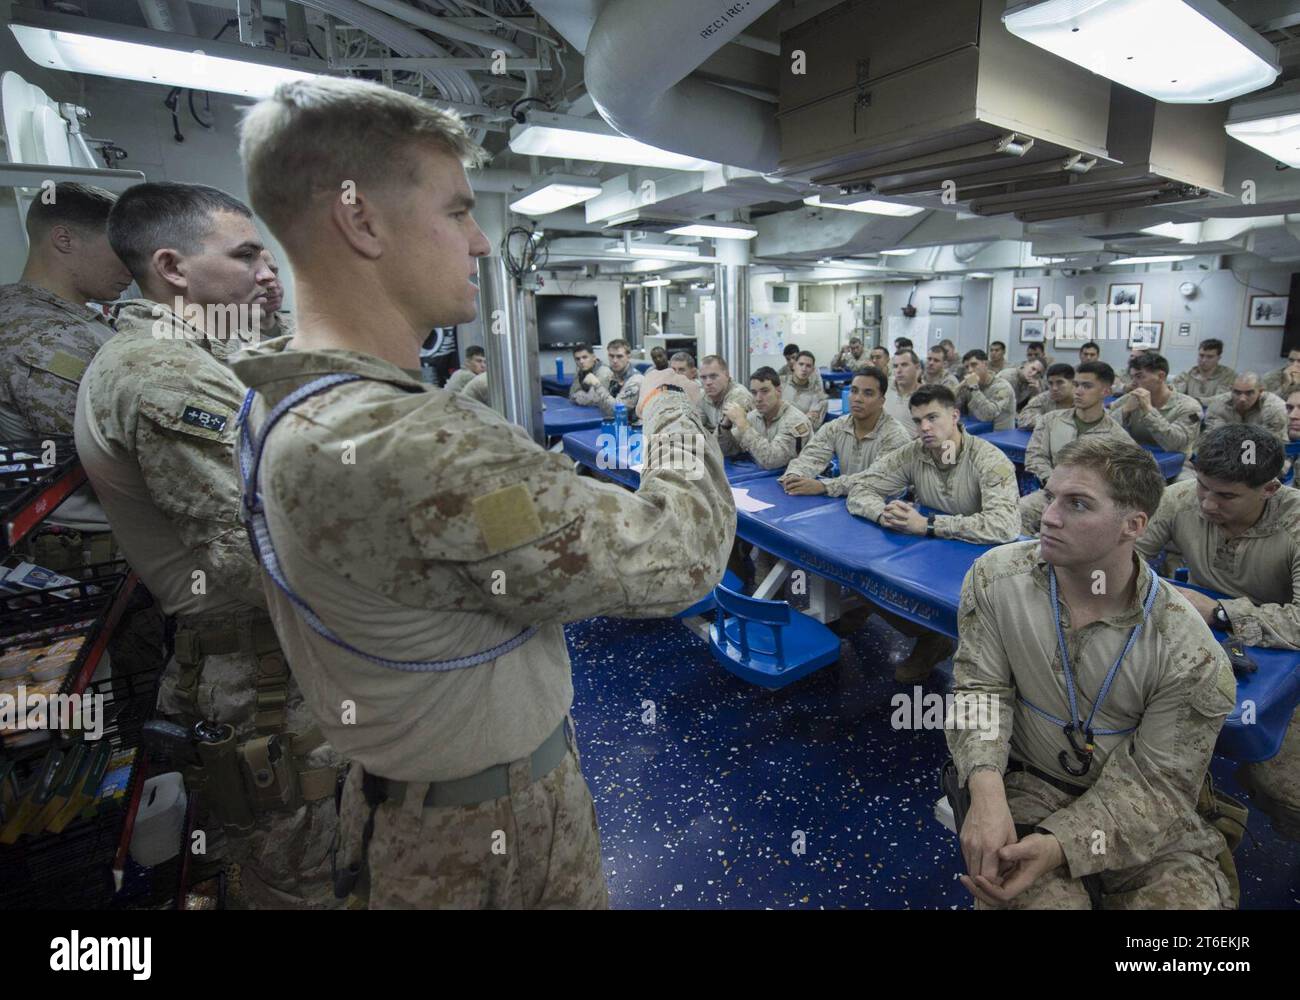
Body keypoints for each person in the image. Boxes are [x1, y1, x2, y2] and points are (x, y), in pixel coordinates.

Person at [235, 76, 736, 908]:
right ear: (360, 219)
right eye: (459, 210)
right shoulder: (412, 443)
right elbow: (684, 557)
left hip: (401, 801)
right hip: (489, 835)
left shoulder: (275, 401)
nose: (479, 243)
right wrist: (673, 406)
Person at [75, 181, 339, 909]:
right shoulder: (160, 375)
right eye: (247, 255)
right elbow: (261, 553)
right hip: (260, 681)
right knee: (303, 885)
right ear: (173, 267)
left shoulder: (198, 357)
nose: (268, 273)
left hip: (271, 664)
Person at [947, 435, 1236, 910]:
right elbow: (981, 688)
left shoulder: (1189, 652)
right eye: (1051, 496)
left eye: (1078, 504)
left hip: (1135, 803)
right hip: (1029, 781)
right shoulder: (997, 578)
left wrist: (1063, 843)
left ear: (1133, 525)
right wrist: (984, 788)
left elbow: (1159, 784)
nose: (1050, 516)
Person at [1136, 425, 1300, 841]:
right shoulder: (1180, 497)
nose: (1207, 503)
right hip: (1196, 641)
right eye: (1203, 486)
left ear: (1270, 489)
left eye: (1226, 496)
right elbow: (1126, 557)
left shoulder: (1295, 523)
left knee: (1285, 789)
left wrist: (1222, 613)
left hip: (1284, 663)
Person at [846, 385, 1020, 680]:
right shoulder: (913, 453)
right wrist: (883, 513)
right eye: (917, 421)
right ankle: (930, 638)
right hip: (929, 551)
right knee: (861, 575)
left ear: (954, 416)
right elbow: (862, 487)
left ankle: (954, 648)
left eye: (932, 418)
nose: (924, 427)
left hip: (977, 557)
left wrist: (927, 525)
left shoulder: (989, 459)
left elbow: (1004, 525)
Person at [0, 181, 131, 567]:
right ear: (63, 239)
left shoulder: (72, 319)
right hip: (96, 548)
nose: (131, 266)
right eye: (120, 250)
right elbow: (121, 450)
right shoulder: (42, 336)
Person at [1019, 362, 1131, 535]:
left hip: (1089, 503)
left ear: (1106, 392)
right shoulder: (1050, 421)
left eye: (1087, 386)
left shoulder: (1117, 437)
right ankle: (1029, 558)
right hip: (1050, 493)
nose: (1078, 391)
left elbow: (1127, 479)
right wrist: (1052, 482)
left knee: (1075, 532)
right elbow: (1035, 456)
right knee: (1017, 512)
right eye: (1076, 384)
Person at [779, 366, 911, 496]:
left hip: (888, 506)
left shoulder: (895, 436)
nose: (858, 399)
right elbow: (811, 456)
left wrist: (824, 486)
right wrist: (795, 475)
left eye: (868, 393)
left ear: (881, 401)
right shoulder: (836, 427)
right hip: (845, 501)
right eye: (854, 391)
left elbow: (876, 479)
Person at [1107, 352, 1203, 472]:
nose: (1133, 383)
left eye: (1140, 376)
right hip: (1133, 462)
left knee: (1188, 484)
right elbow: (1104, 428)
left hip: (1175, 465)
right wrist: (1124, 411)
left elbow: (1174, 444)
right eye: (1132, 377)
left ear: (1161, 376)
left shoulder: (1189, 407)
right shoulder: (1131, 398)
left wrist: (1149, 410)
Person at [720, 366, 812, 470]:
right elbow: (727, 450)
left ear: (778, 391)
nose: (758, 398)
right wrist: (725, 426)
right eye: (754, 393)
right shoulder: (753, 416)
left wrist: (743, 425)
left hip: (795, 478)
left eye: (765, 391)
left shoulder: (795, 421)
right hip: (764, 477)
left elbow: (772, 461)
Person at [1202, 372, 1288, 443]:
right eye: (1237, 392)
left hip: (1266, 453)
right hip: (1227, 452)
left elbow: (1271, 444)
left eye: (1249, 393)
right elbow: (1213, 439)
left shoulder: (1275, 407)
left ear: (1260, 391)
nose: (1242, 399)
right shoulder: (1218, 404)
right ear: (1231, 390)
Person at [578, 338, 644, 422]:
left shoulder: (636, 380)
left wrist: (597, 385)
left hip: (631, 429)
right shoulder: (611, 374)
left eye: (619, 356)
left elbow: (616, 412)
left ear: (628, 356)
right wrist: (577, 396)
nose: (615, 360)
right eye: (611, 356)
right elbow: (593, 399)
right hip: (612, 423)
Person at [955, 348, 1016, 430]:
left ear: (986, 364)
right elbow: (950, 405)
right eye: (966, 367)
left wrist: (974, 389)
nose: (970, 370)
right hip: (977, 432)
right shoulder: (969, 385)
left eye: (974, 365)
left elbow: (988, 414)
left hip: (999, 436)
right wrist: (959, 387)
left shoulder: (1002, 386)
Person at [697, 354, 753, 433]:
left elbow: (735, 438)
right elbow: (696, 427)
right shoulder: (702, 395)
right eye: (703, 377)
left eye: (713, 376)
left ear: (726, 375)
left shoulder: (739, 396)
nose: (708, 382)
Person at [1171, 338, 1235, 406]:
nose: (1204, 360)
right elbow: (1173, 396)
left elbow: (1221, 401)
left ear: (1218, 358)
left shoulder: (1228, 375)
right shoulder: (1187, 374)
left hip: (1214, 414)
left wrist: (1198, 401)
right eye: (1201, 355)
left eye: (1210, 357)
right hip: (1189, 411)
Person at [1017, 362, 1075, 431]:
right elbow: (1023, 419)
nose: (1054, 388)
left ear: (1073, 383)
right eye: (1050, 383)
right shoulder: (1044, 398)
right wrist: (1050, 421)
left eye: (1060, 382)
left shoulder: (1084, 399)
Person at [780, 350, 828, 425]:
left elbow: (810, 425)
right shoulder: (780, 384)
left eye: (808, 366)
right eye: (801, 364)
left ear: (813, 370)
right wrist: (804, 417)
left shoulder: (818, 395)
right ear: (794, 366)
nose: (804, 369)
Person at [257, 248, 294, 339]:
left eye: (274, 272)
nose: (272, 285)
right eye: (259, 277)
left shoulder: (299, 329)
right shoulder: (224, 341)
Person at [884, 349, 922, 436]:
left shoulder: (926, 395)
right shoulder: (885, 389)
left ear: (917, 367)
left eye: (904, 365)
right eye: (895, 366)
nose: (899, 370)